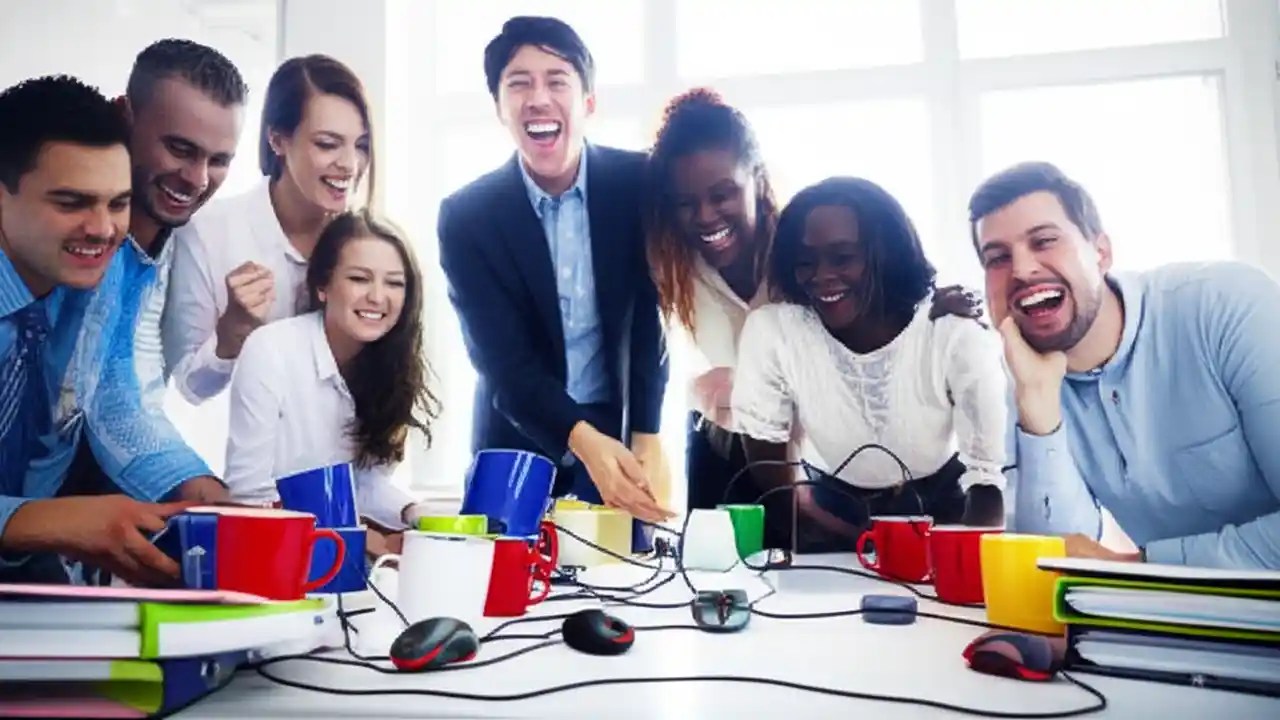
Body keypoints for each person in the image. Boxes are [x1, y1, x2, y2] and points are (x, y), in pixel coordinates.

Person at [645, 89, 984, 548]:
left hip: (823, 450)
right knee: (724, 582)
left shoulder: (804, 248)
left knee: (839, 578)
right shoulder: (671, 259)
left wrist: (940, 305)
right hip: (728, 447)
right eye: (686, 202)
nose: (705, 215)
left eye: (722, 194)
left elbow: (889, 289)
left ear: (756, 178)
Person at [970, 161, 1280, 569]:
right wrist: (1039, 408)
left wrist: (1140, 565)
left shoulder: (1229, 306)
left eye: (1044, 241)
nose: (1022, 269)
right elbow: (1056, 558)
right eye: (997, 258)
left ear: (1100, 253)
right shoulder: (1021, 377)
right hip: (1169, 619)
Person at [437, 16, 673, 535]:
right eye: (518, 83)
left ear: (588, 102)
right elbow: (503, 362)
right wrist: (580, 439)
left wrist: (648, 432)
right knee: (497, 588)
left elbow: (649, 322)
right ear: (500, 108)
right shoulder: (467, 216)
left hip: (617, 437)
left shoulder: (639, 184)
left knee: (624, 591)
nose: (538, 98)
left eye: (557, 80)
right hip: (513, 436)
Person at [732, 177, 1008, 552]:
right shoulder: (773, 332)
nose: (822, 275)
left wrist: (966, 562)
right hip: (826, 511)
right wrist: (848, 539)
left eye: (843, 258)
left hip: (947, 511)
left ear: (886, 254)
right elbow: (771, 477)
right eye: (804, 262)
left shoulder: (952, 333)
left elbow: (987, 487)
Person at [0, 75, 190, 586]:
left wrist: (199, 491)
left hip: (29, 568)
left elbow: (115, 393)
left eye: (117, 203)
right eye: (71, 203)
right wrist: (42, 520)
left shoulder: (91, 285)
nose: (103, 228)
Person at [163, 54, 374, 475]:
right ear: (278, 140)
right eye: (328, 144)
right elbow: (187, 390)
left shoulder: (366, 247)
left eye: (361, 145)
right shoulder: (207, 233)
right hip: (233, 489)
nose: (349, 164)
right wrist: (232, 334)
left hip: (345, 490)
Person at [58, 38, 248, 506]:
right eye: (180, 148)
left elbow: (123, 394)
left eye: (219, 160)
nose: (198, 179)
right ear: (126, 115)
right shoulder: (58, 232)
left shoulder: (164, 247)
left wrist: (215, 501)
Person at [223, 210, 440, 534]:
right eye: (359, 279)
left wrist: (415, 512)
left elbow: (364, 483)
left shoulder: (392, 365)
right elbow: (250, 494)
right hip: (272, 551)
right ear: (323, 285)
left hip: (339, 554)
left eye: (394, 283)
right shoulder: (271, 350)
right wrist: (366, 543)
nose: (378, 297)